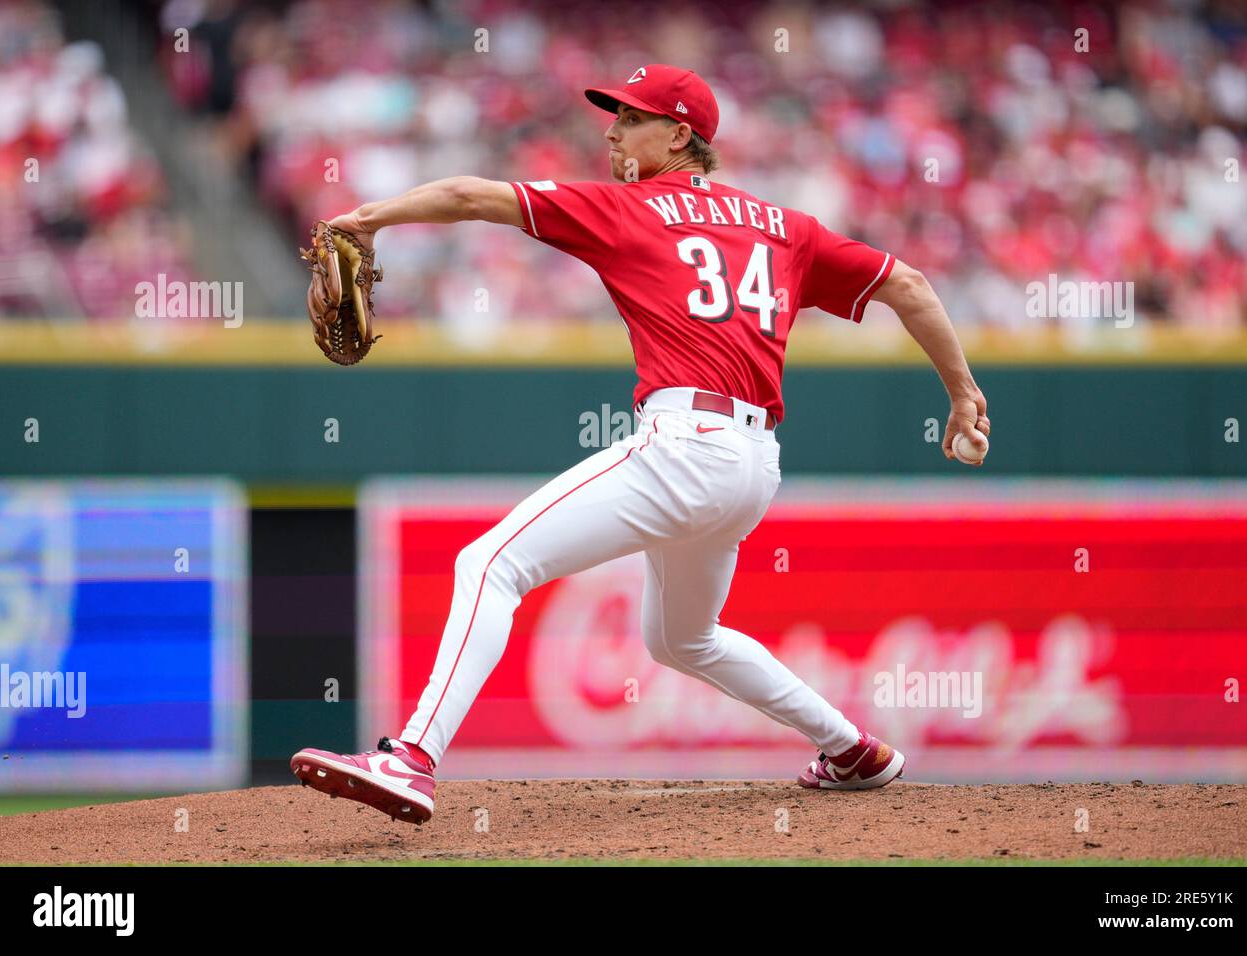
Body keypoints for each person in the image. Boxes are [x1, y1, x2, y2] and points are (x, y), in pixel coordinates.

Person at [291, 64, 991, 824]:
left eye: (630, 118)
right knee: (682, 638)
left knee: (489, 563)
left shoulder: (629, 209)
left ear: (679, 135)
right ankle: (853, 748)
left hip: (687, 445)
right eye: (615, 116)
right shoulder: (788, 228)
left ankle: (412, 758)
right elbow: (911, 285)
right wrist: (962, 393)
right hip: (754, 466)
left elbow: (470, 196)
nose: (613, 131)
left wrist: (368, 218)